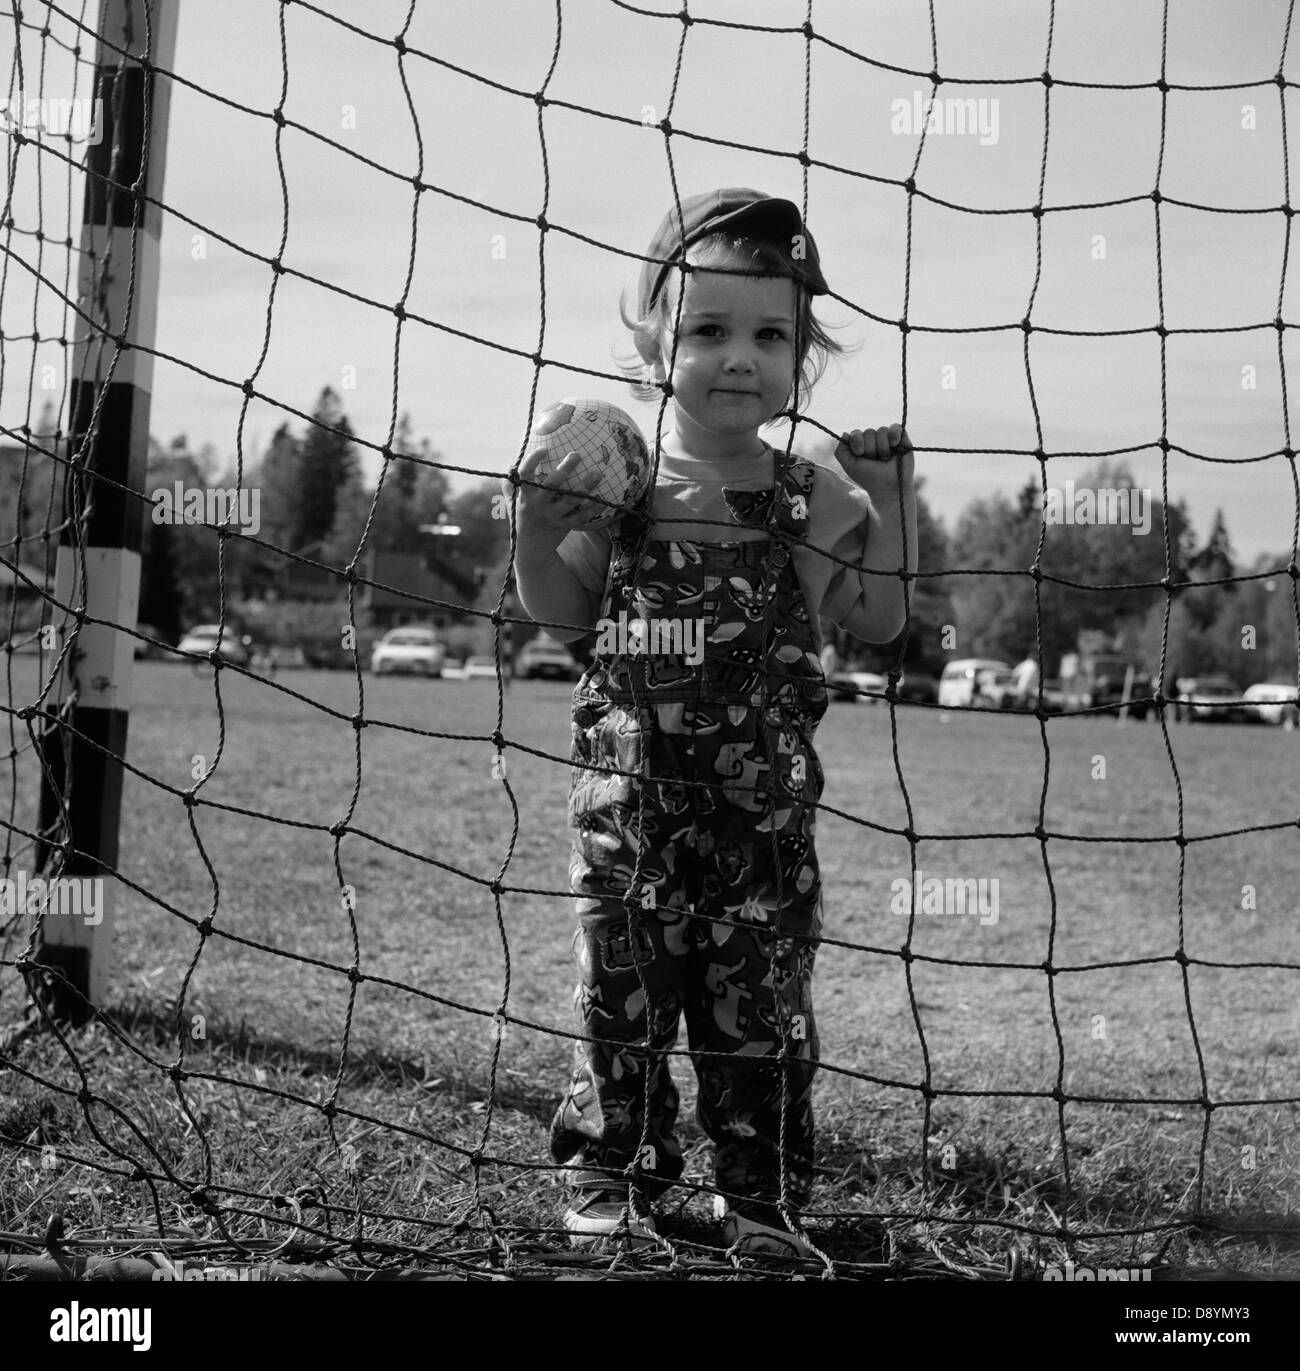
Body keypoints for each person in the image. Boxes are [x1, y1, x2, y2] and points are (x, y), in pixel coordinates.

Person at [508, 188, 917, 1258]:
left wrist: (890, 496)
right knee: (622, 1000)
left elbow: (876, 617)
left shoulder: (815, 499)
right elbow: (560, 614)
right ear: (653, 341)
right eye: (706, 330)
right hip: (624, 812)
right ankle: (610, 1174)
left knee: (761, 1017)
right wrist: (539, 523)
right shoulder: (621, 486)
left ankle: (761, 1196)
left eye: (770, 335)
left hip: (760, 827)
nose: (739, 356)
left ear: (802, 355)